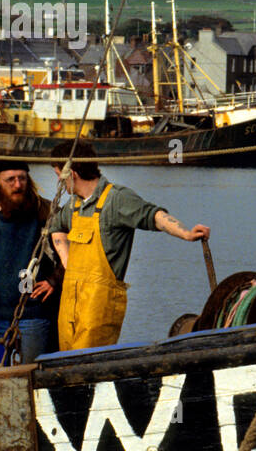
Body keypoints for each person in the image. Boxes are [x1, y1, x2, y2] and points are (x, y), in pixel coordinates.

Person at [48, 141, 209, 350]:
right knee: (66, 368)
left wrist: (186, 233)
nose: (59, 184)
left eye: (58, 176)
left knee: (88, 366)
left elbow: (153, 216)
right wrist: (66, 259)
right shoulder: (74, 205)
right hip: (70, 304)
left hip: (98, 307)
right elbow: (55, 228)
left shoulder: (117, 199)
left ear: (72, 174)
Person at [0, 160, 62, 362]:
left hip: (35, 314)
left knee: (33, 377)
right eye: (11, 180)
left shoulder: (47, 213)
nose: (18, 185)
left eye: (22, 178)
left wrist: (54, 279)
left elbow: (71, 255)